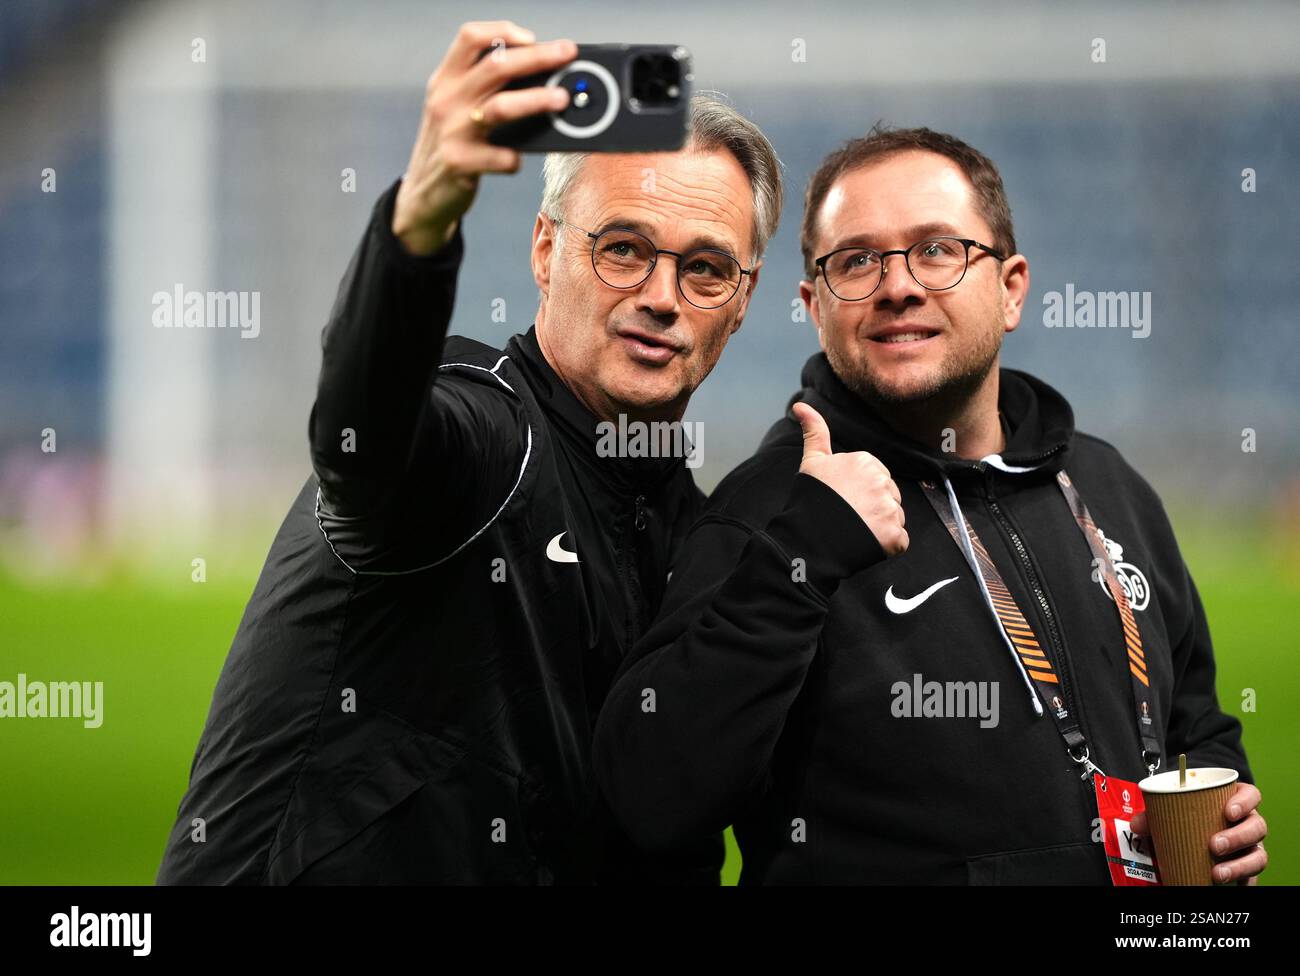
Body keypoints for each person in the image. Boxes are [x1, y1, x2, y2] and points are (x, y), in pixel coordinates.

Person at [156, 20, 781, 884]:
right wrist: (421, 220)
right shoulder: (484, 436)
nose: (662, 297)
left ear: (743, 300)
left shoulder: (693, 537)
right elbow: (363, 442)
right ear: (545, 248)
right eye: (624, 249)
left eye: (706, 268)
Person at [593, 126, 1267, 884]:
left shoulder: (1109, 487)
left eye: (939, 249)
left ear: (1011, 287)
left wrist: (1220, 808)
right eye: (857, 261)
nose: (899, 285)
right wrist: (801, 561)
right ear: (815, 306)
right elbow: (648, 796)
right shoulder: (768, 514)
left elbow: (1195, 725)